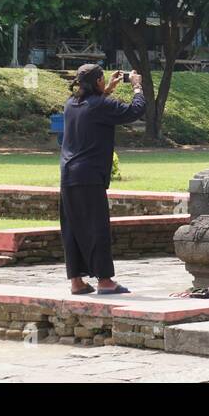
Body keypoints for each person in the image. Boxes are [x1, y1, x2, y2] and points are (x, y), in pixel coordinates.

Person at [59, 64, 147, 296]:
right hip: (89, 176)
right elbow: (135, 111)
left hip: (68, 174)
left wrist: (107, 89)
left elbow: (93, 106)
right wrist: (137, 86)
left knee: (72, 228)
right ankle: (105, 281)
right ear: (98, 81)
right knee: (97, 227)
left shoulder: (71, 104)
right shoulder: (101, 105)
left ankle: (76, 281)